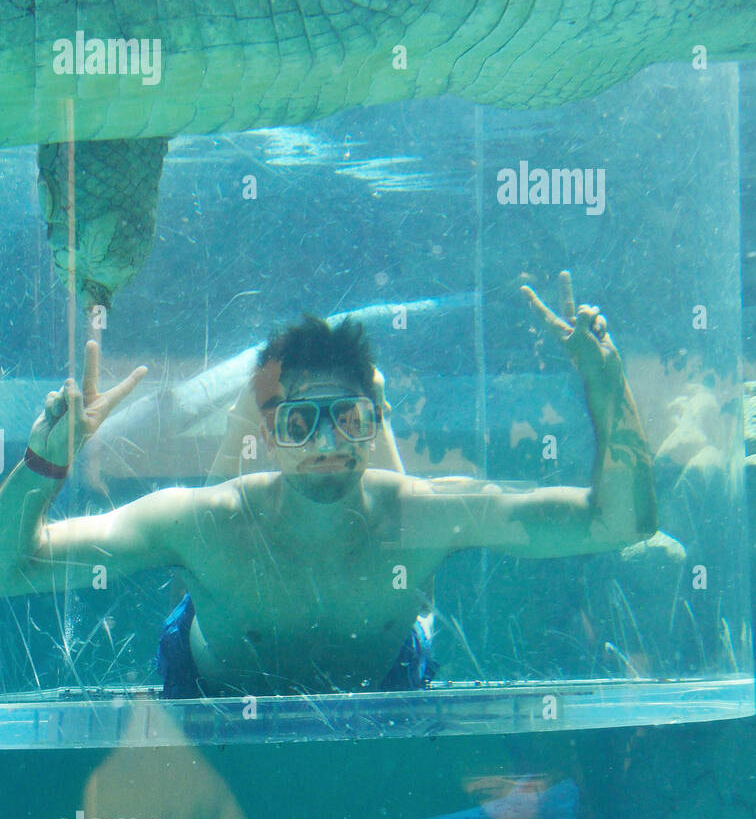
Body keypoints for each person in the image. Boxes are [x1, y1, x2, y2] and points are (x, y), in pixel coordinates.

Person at [0, 273, 657, 698]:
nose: (324, 444)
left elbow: (619, 524)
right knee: (225, 541)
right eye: (298, 423)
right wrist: (45, 462)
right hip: (209, 688)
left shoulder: (429, 514)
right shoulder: (202, 519)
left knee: (398, 520)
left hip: (390, 673)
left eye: (347, 420)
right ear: (270, 431)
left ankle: (336, 397)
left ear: (373, 424)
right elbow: (9, 568)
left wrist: (608, 388)